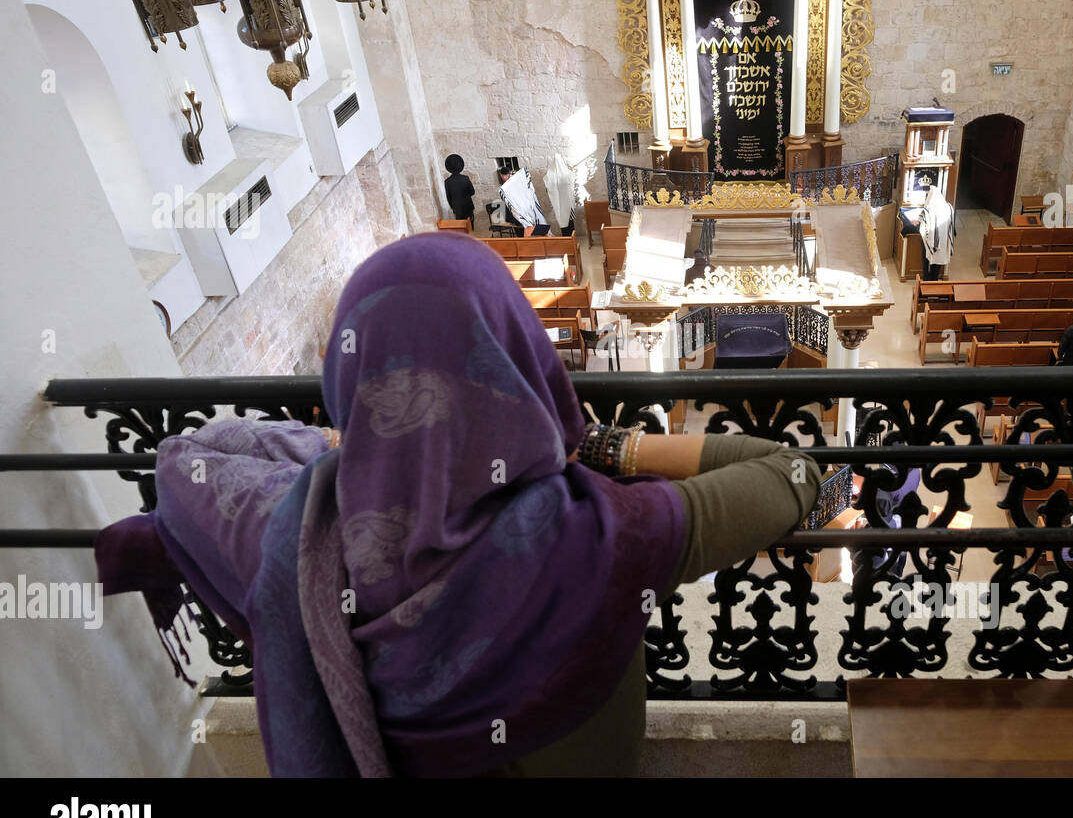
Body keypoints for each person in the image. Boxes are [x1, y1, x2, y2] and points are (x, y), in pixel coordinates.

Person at [94, 233, 821, 778]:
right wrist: (598, 445)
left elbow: (197, 477)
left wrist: (347, 452)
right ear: (518, 360)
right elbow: (797, 471)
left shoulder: (299, 540)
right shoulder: (605, 537)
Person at [917, 185, 955, 281]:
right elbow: (952, 226)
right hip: (943, 242)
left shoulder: (928, 210)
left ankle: (926, 280)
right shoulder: (949, 208)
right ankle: (935, 280)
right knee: (937, 264)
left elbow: (919, 220)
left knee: (926, 262)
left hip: (929, 241)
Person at [443, 154, 476, 232]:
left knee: (462, 228)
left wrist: (453, 207)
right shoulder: (465, 178)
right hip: (468, 206)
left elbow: (449, 197)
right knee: (471, 226)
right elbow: (472, 192)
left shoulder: (447, 182)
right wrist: (466, 196)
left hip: (457, 208)